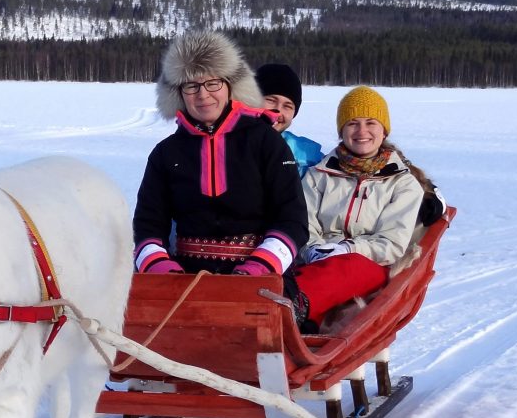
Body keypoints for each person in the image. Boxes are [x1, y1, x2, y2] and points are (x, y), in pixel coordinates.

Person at [133, 31, 309, 281]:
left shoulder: (267, 142)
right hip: (183, 275)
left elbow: (292, 218)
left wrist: (260, 266)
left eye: (212, 83)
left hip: (260, 274)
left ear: (230, 86)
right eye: (191, 86)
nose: (203, 95)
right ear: (178, 94)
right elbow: (148, 222)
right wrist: (159, 265)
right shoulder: (166, 153)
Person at [294, 85, 426, 330]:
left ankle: (293, 305)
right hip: (315, 260)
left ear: (383, 130)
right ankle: (299, 317)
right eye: (353, 123)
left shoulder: (402, 183)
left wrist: (347, 249)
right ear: (342, 130)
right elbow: (302, 222)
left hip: (369, 264)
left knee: (352, 267)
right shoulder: (318, 175)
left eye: (370, 123)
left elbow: (392, 243)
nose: (362, 131)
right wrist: (313, 250)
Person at [255, 63, 324, 177]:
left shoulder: (309, 159)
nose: (278, 111)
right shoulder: (228, 147)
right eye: (271, 100)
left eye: (287, 106)